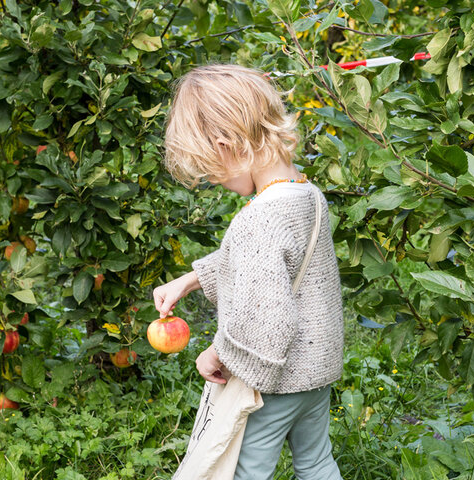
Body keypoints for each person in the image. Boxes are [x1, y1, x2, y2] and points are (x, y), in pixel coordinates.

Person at [152, 64, 345, 480]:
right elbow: (276, 266)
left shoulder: (257, 219)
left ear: (229, 146)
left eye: (210, 169)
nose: (213, 181)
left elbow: (267, 317)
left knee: (244, 470)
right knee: (316, 462)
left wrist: (218, 352)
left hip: (274, 383)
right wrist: (190, 280)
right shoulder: (305, 194)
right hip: (317, 371)